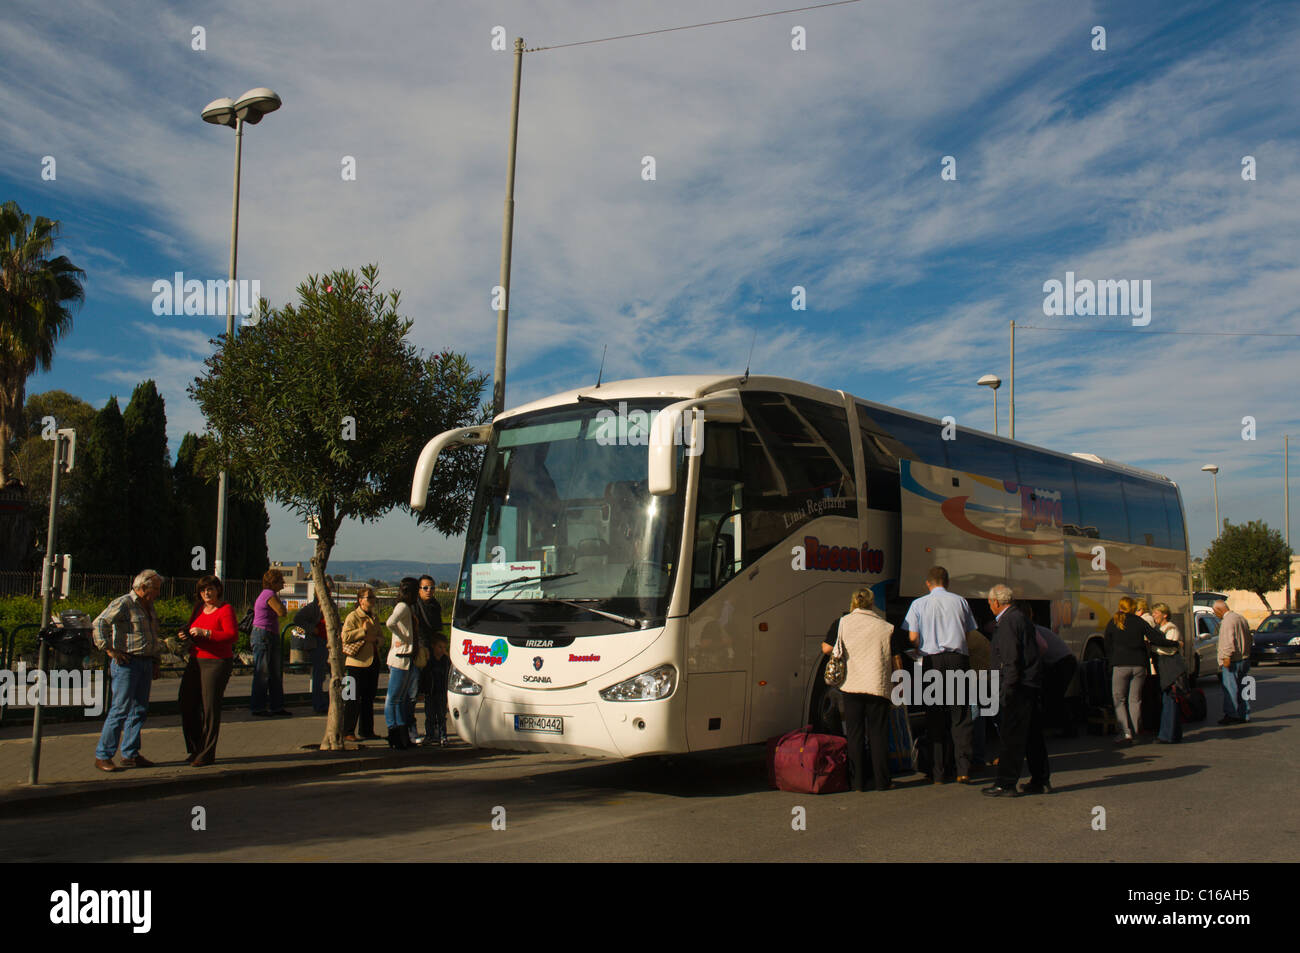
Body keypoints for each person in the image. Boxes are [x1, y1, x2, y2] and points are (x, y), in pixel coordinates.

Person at [904, 566, 979, 783]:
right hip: (957, 660)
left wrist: (920, 644)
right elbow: (967, 632)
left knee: (935, 715)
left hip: (931, 662)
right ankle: (963, 769)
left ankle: (938, 772)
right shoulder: (961, 601)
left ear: (928, 583)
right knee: (961, 714)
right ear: (947, 582)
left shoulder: (918, 604)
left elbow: (912, 637)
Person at [821, 589, 898, 792]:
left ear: (853, 602)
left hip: (851, 684)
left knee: (855, 734)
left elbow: (826, 649)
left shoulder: (843, 623)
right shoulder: (886, 626)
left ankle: (857, 782)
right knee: (878, 734)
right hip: (876, 685)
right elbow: (895, 656)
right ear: (872, 604)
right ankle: (882, 781)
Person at [91, 570, 164, 772]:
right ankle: (103, 755)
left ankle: (130, 753)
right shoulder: (124, 603)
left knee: (139, 710)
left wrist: (155, 661)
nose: (158, 593)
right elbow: (100, 623)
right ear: (142, 588)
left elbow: (153, 635)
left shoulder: (149, 606)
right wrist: (108, 649)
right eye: (155, 589)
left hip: (145, 662)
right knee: (120, 709)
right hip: (127, 662)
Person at [984, 584, 1049, 797]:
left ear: (995, 602)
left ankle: (1006, 783)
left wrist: (1007, 690)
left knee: (1011, 737)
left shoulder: (1008, 621)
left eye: (989, 601)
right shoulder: (1020, 617)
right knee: (1032, 736)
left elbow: (1011, 658)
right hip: (1029, 684)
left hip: (1018, 687)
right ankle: (1041, 780)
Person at [177, 575, 237, 766]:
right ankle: (195, 747)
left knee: (210, 706)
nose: (207, 593)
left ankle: (207, 752)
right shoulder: (198, 608)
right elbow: (191, 627)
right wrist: (185, 632)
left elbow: (231, 635)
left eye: (210, 589)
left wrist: (207, 633)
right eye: (203, 590)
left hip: (217, 662)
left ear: (218, 590)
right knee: (187, 701)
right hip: (196, 660)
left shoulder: (225, 609)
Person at [1104, 596, 1176, 743]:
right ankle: (1136, 731)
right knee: (1135, 700)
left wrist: (1111, 661)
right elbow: (1155, 638)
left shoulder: (1114, 622)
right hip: (1139, 666)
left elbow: (1107, 645)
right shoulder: (1139, 621)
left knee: (1119, 699)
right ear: (1132, 607)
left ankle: (1125, 732)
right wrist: (1173, 644)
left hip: (1120, 665)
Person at [342, 587, 384, 741]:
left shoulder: (374, 617)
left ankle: (367, 730)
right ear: (360, 600)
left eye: (373, 597)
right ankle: (348, 731)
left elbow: (381, 637)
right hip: (355, 664)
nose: (372, 600)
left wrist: (376, 641)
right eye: (369, 597)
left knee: (368, 698)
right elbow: (345, 636)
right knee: (351, 697)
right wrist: (362, 631)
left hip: (372, 661)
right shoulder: (353, 617)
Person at [384, 578, 419, 749]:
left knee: (399, 699)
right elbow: (390, 622)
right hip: (400, 656)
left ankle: (401, 735)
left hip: (406, 657)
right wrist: (403, 637)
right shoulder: (403, 607)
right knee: (393, 698)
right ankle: (393, 732)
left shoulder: (407, 607)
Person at [250, 567, 290, 717]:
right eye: (281, 581)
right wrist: (282, 607)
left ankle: (276, 706)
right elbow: (281, 611)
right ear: (273, 582)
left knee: (275, 672)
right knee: (263, 672)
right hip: (263, 634)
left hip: (269, 633)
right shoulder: (269, 594)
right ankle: (258, 707)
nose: (283, 584)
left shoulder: (269, 594)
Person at [1031, 614, 1078, 738]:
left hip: (1063, 663)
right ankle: (1063, 726)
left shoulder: (1032, 630)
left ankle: (1068, 729)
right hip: (1064, 661)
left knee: (1056, 695)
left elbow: (1041, 648)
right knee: (1054, 694)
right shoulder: (1037, 628)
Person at [412, 574, 444, 744]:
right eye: (425, 587)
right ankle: (411, 728)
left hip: (432, 653)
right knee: (414, 692)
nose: (429, 591)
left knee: (433, 693)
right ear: (419, 589)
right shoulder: (414, 606)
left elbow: (438, 628)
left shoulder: (435, 606)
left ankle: (434, 729)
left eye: (432, 587)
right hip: (419, 651)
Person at [1213, 600, 1253, 724]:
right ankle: (1244, 714)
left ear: (1219, 610)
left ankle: (1231, 714)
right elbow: (1249, 638)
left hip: (1233, 660)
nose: (1216, 615)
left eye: (1215, 612)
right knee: (1243, 688)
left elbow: (1228, 641)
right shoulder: (1240, 618)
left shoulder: (1227, 621)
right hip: (1244, 658)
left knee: (1230, 688)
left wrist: (1226, 657)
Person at [293, 585, 330, 714]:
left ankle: (332, 701)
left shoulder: (330, 606)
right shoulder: (312, 608)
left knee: (332, 674)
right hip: (318, 643)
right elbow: (297, 620)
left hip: (329, 643)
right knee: (318, 674)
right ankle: (318, 703)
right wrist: (311, 629)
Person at [1150, 602, 1184, 743]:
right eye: (1153, 613)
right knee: (1168, 700)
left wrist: (1153, 648)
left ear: (1164, 614)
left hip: (1170, 668)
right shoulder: (1160, 629)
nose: (1154, 615)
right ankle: (1171, 734)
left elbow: (1171, 649)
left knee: (1170, 700)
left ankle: (1167, 735)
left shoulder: (1171, 628)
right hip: (1163, 667)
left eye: (1156, 613)